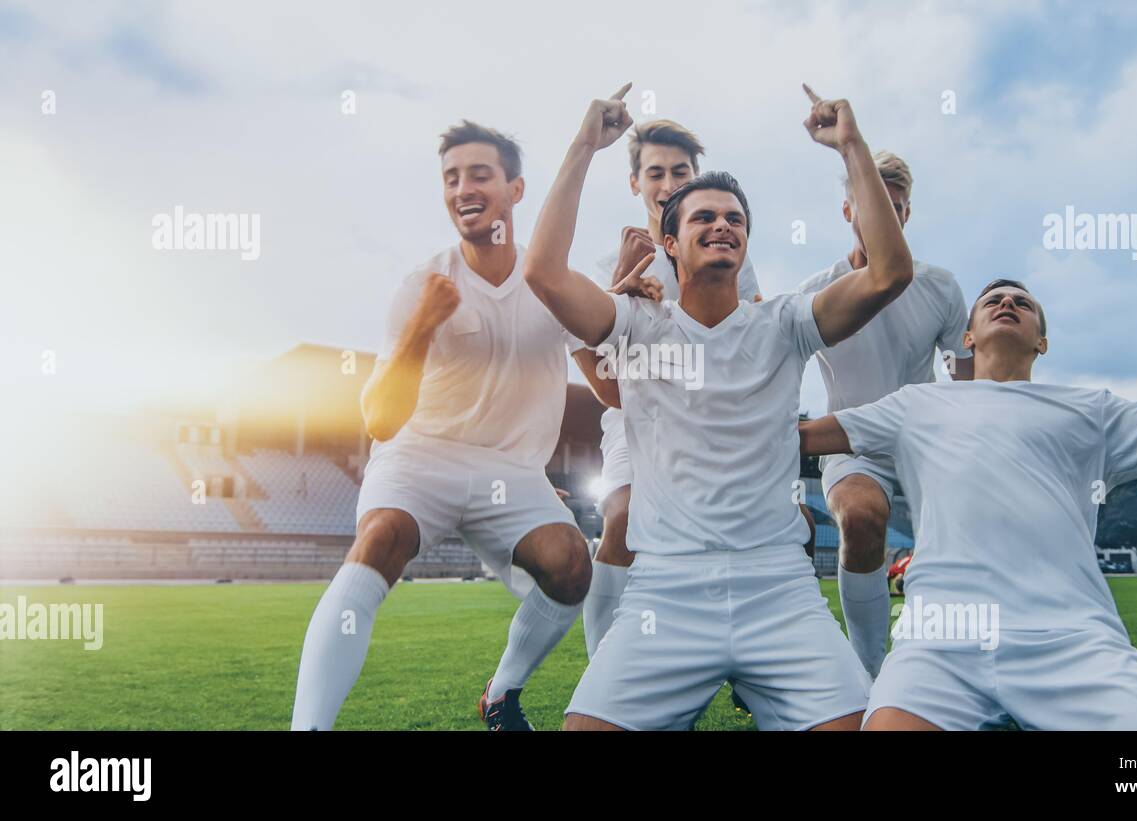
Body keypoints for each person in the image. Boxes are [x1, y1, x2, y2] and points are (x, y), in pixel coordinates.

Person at [524, 84, 913, 730]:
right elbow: (542, 271)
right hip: (667, 594)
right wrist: (584, 146)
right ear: (670, 244)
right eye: (702, 217)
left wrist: (850, 145)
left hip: (779, 591)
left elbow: (888, 273)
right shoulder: (637, 322)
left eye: (733, 217)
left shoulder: (785, 322)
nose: (721, 224)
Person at [799, 265, 1137, 730]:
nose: (1008, 304)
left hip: (1073, 641)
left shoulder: (1091, 409)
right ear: (966, 339)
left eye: (1022, 303)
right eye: (994, 302)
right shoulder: (916, 404)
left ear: (1041, 343)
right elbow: (800, 438)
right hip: (939, 644)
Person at [291, 121, 591, 732]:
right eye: (450, 179)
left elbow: (609, 375)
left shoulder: (551, 282)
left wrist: (625, 306)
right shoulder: (421, 285)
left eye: (479, 174)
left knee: (572, 566)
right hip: (420, 457)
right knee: (378, 540)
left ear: (515, 189)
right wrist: (421, 327)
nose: (462, 189)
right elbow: (378, 418)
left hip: (511, 471)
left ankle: (501, 693)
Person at [571, 118, 763, 660]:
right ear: (635, 183)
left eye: (680, 171)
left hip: (714, 417)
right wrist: (619, 296)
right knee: (624, 513)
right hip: (640, 419)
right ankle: (603, 669)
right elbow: (607, 388)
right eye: (655, 172)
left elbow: (752, 344)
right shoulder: (611, 265)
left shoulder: (726, 253)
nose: (667, 182)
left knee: (775, 522)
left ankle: (751, 657)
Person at [796, 150, 973, 678]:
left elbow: (969, 383)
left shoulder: (939, 286)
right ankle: (869, 672)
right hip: (853, 445)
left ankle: (955, 661)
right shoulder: (814, 293)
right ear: (849, 211)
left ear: (907, 214)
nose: (884, 217)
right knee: (860, 517)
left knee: (970, 529)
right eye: (872, 206)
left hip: (926, 442)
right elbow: (775, 367)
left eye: (895, 208)